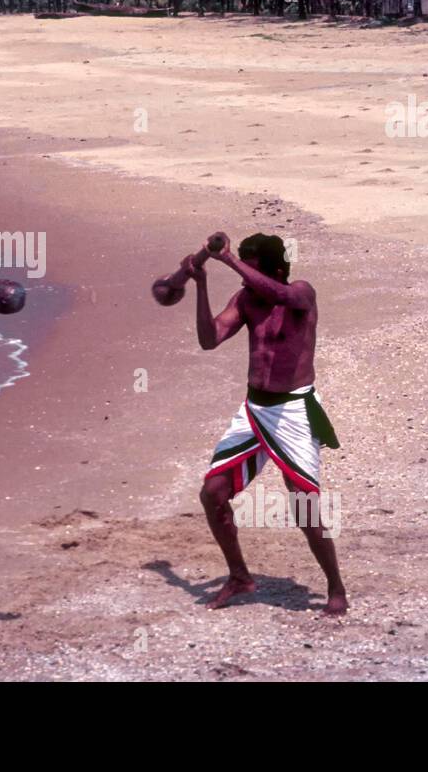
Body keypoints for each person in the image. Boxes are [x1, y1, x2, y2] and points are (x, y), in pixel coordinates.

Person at [184, 232, 348, 615]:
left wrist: (226, 259)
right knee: (212, 494)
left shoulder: (302, 295)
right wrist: (202, 285)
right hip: (255, 409)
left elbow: (283, 295)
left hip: (293, 410)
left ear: (276, 270)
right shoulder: (245, 300)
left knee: (304, 505)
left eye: (250, 271)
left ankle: (335, 586)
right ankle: (239, 576)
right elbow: (209, 340)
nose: (243, 280)